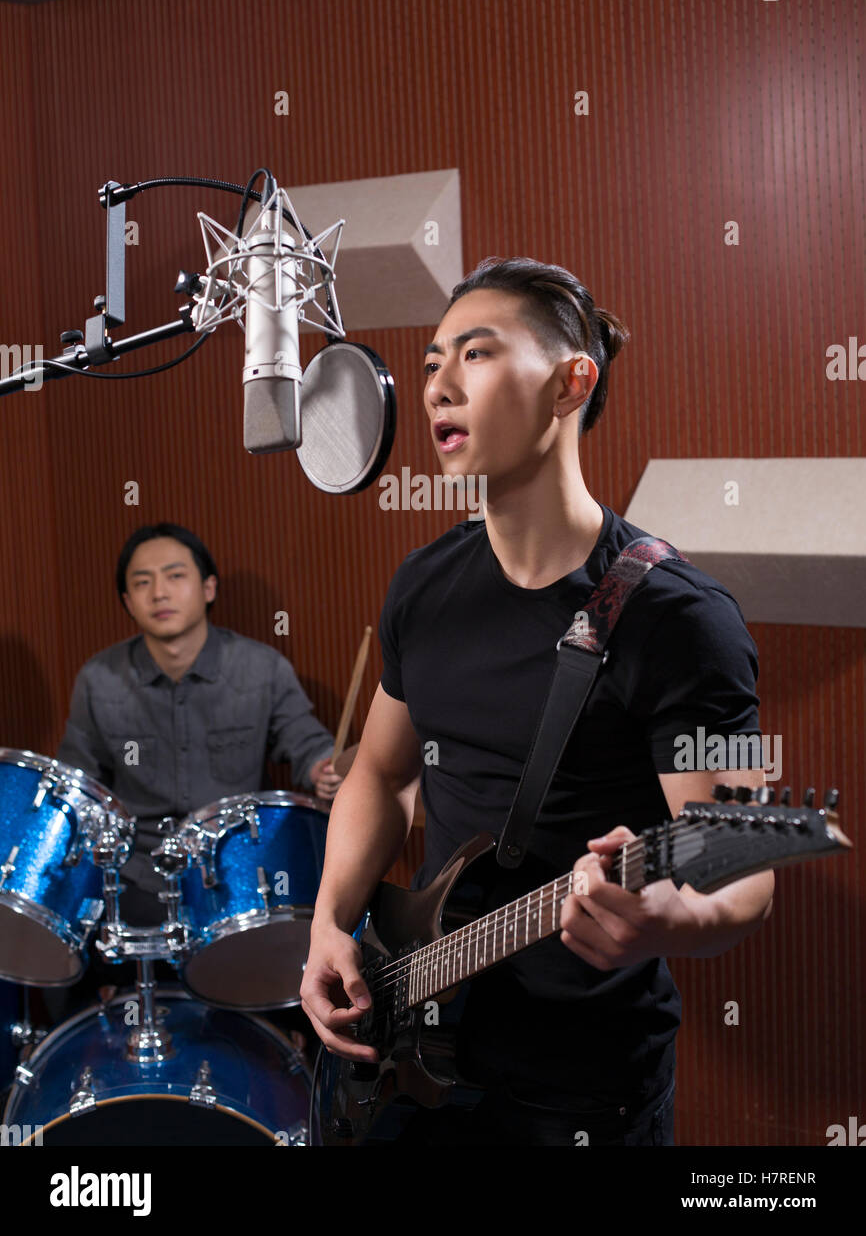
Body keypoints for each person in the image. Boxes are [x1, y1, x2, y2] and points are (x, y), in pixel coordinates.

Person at [300, 255, 775, 1147]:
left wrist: (670, 915)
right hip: (412, 1053)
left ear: (570, 382)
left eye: (474, 356)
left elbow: (746, 871)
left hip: (581, 1090)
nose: (438, 385)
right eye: (433, 361)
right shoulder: (420, 585)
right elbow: (381, 774)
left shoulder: (688, 620)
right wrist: (331, 922)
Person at [47, 523, 354, 1036]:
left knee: (293, 1000)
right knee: (62, 974)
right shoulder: (98, 680)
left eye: (174, 576)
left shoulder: (261, 669)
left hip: (232, 884)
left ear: (208, 587)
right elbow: (77, 789)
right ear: (126, 599)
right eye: (142, 582)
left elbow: (308, 746)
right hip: (133, 883)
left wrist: (326, 772)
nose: (160, 592)